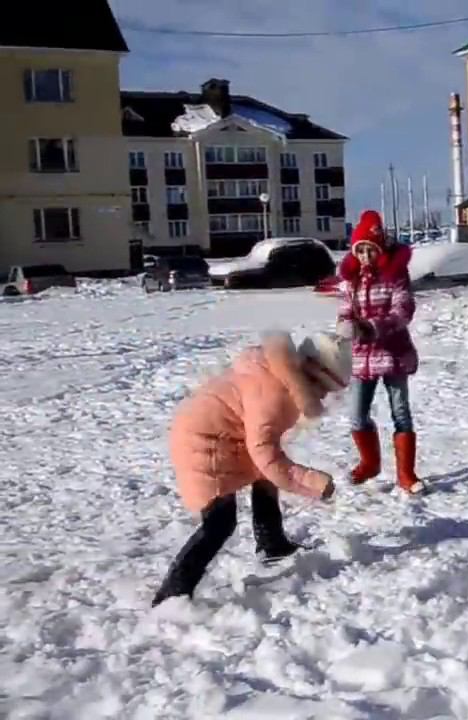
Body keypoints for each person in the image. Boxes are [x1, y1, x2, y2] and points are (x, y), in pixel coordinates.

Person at [154, 330, 349, 606]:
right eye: (326, 388)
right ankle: (172, 594)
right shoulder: (275, 394)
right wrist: (314, 483)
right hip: (203, 441)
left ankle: (273, 543)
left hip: (221, 434)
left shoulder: (278, 373)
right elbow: (266, 456)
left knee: (264, 479)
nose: (324, 396)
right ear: (313, 374)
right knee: (220, 520)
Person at [337, 210, 424, 494]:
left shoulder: (396, 275)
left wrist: (375, 327)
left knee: (401, 412)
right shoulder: (350, 280)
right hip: (363, 358)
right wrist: (345, 326)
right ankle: (370, 463)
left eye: (370, 249)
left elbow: (403, 309)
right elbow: (345, 311)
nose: (365, 255)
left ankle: (406, 474)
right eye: (360, 250)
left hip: (394, 354)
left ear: (380, 248)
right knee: (357, 415)